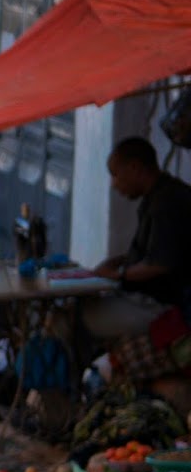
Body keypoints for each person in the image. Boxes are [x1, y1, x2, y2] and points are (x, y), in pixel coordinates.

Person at [84, 137, 191, 339]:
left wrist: (117, 274)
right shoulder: (157, 197)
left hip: (166, 309)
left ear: (134, 167)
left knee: (81, 317)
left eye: (115, 175)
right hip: (147, 299)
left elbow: (160, 264)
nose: (114, 185)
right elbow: (154, 249)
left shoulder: (166, 203)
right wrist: (115, 262)